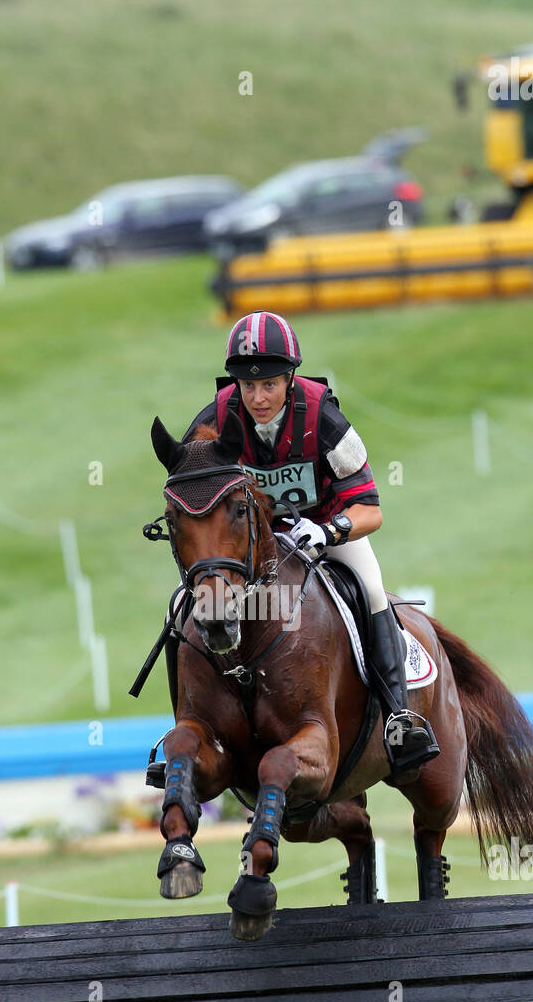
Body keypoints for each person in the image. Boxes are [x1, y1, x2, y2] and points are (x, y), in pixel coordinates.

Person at [179, 310, 439, 775]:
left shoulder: (325, 417)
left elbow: (371, 510)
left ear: (291, 379)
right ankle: (185, 724)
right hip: (249, 544)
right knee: (183, 603)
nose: (258, 398)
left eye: (270, 385)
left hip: (322, 531)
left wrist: (328, 530)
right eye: (247, 386)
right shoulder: (215, 420)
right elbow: (191, 491)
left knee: (372, 589)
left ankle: (400, 716)